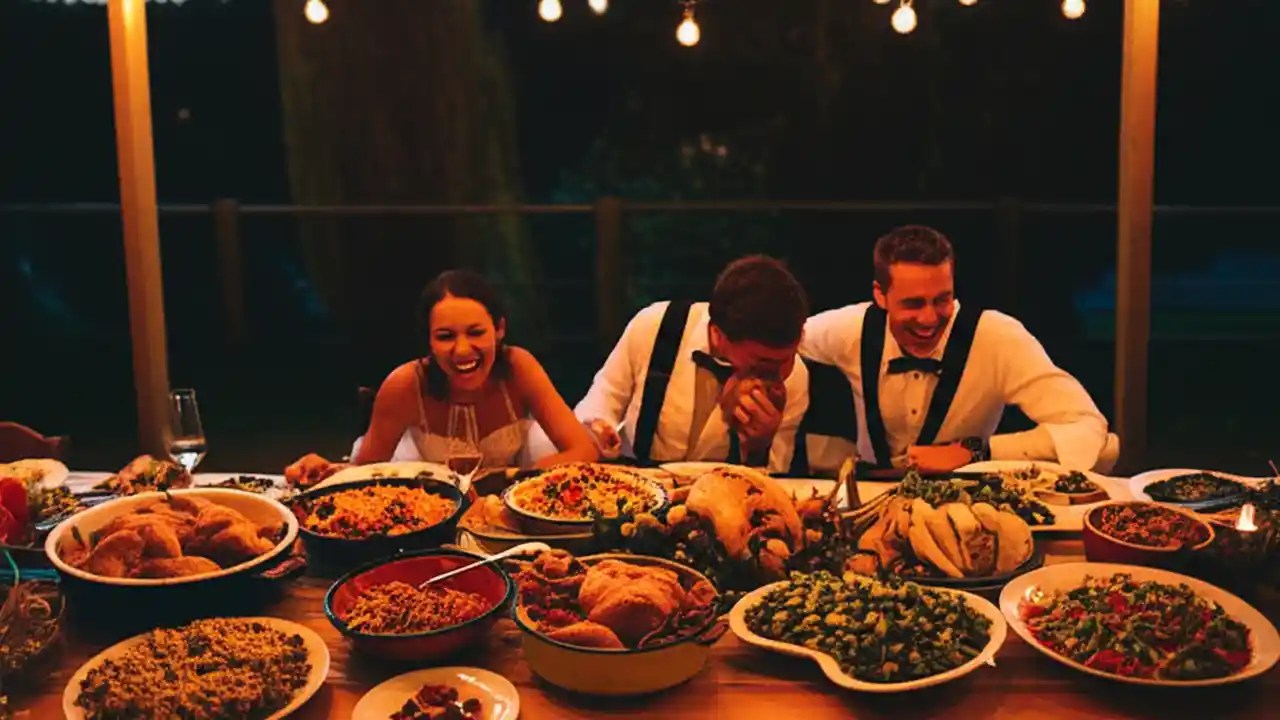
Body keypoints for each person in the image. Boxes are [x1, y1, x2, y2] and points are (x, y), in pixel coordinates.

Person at [799, 225, 1111, 473]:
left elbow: (1086, 425)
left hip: (967, 501)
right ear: (880, 295)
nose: (929, 318)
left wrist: (976, 451)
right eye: (913, 303)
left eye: (942, 299)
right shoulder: (851, 328)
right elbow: (779, 340)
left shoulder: (997, 337)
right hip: (870, 493)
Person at [287, 269, 597, 485]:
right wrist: (322, 470)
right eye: (446, 336)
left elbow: (583, 449)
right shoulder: (405, 384)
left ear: (499, 329)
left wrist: (514, 482)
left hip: (508, 506)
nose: (462, 350)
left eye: (476, 332)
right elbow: (364, 474)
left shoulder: (520, 367)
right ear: (429, 341)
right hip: (431, 507)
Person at [526, 255, 811, 473]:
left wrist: (759, 445)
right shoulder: (656, 326)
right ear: (719, 335)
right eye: (763, 360)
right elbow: (604, 397)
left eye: (788, 357)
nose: (781, 371)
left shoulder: (795, 378)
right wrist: (598, 428)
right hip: (632, 488)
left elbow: (775, 478)